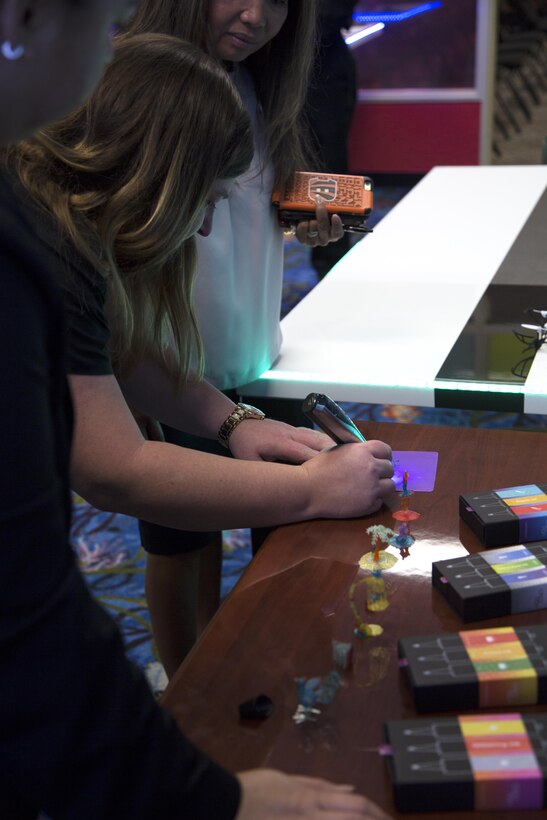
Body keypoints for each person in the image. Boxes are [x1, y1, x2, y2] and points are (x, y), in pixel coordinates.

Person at [0, 6, 393, 819]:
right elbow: (117, 467)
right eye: (204, 198)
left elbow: (113, 354)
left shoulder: (52, 216)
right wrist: (315, 492)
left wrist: (228, 422)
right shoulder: (43, 246)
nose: (209, 221)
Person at [124, 0, 366, 672]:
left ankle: (259, 670)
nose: (256, 15)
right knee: (181, 541)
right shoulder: (145, 86)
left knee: (285, 529)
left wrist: (306, 214)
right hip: (168, 357)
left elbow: (251, 201)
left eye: (279, 2)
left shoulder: (256, 82)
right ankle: (187, 686)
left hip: (258, 348)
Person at [306, 0, 359, 279]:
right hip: (286, 63)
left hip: (325, 63)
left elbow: (332, 13)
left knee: (329, 166)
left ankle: (333, 267)